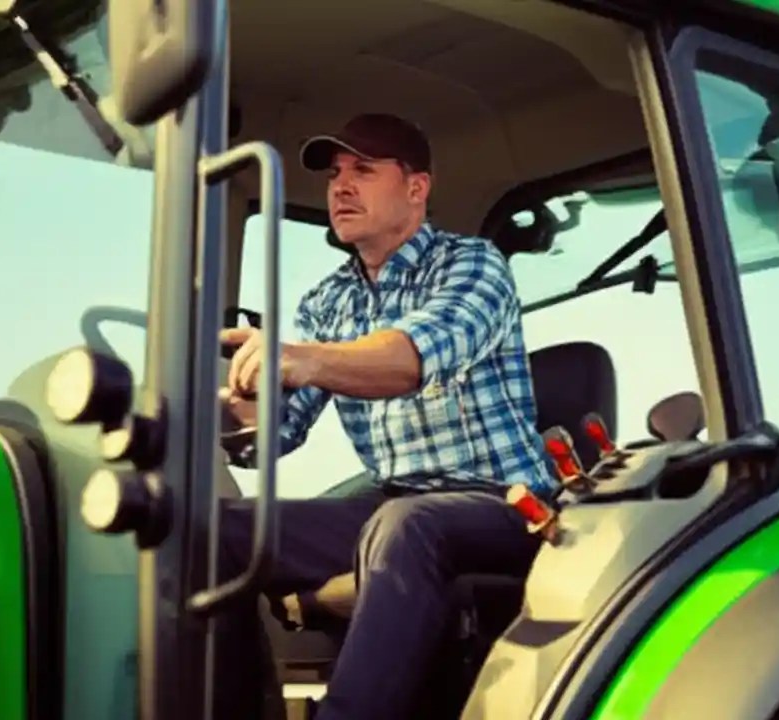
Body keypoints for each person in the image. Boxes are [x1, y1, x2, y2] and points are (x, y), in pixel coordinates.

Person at [214, 113, 556, 720]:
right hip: (394, 502)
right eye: (335, 174)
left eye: (364, 171)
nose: (341, 187)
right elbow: (282, 431)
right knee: (213, 531)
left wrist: (300, 358)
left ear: (416, 188)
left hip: (506, 505)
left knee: (406, 525)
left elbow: (411, 359)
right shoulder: (327, 301)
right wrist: (229, 409)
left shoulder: (472, 266)